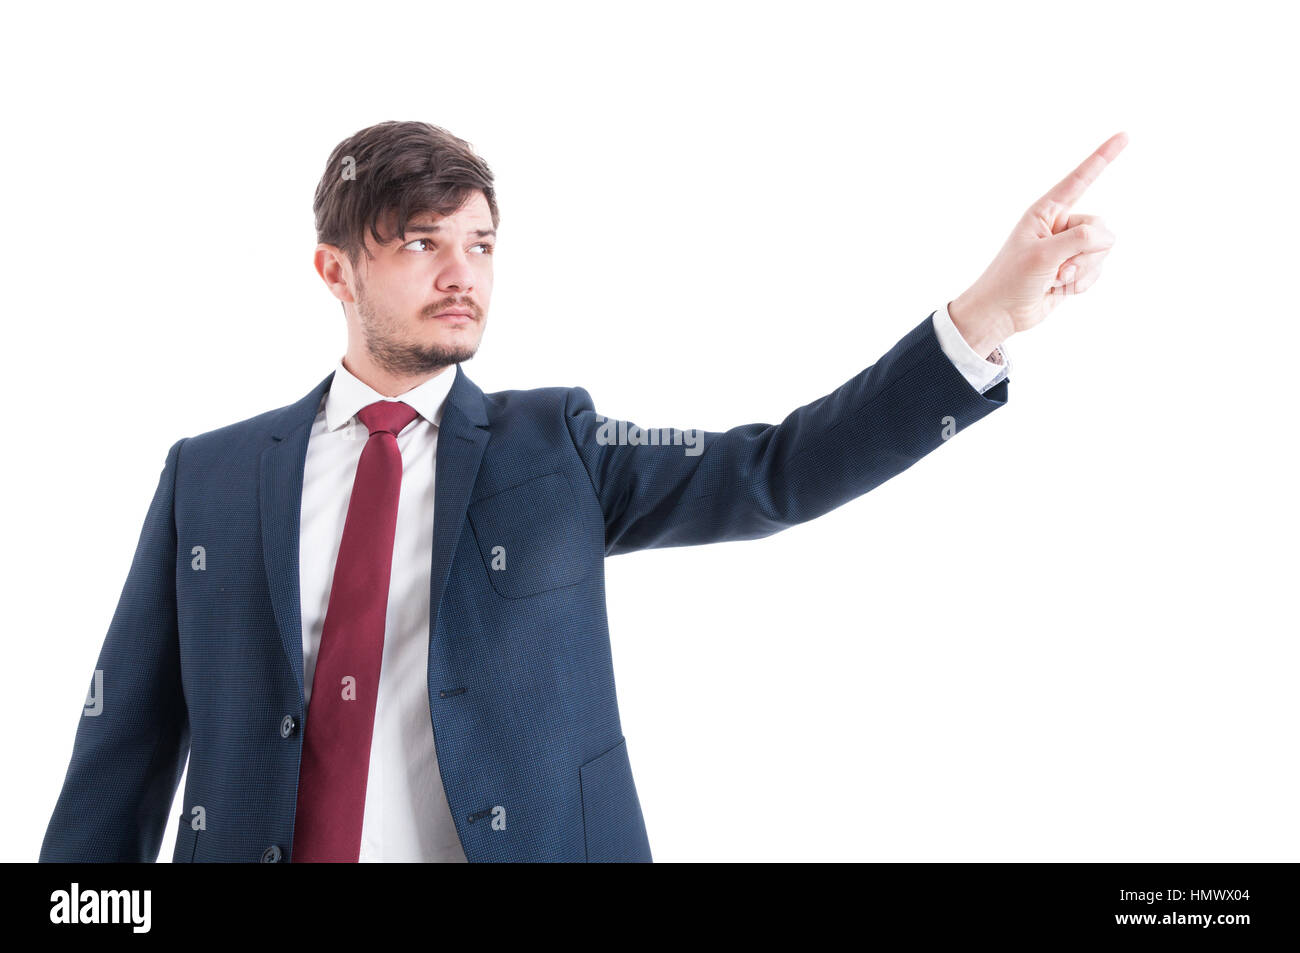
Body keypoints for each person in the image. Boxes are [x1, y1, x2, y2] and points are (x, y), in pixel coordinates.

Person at [39, 120, 1125, 863]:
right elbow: (120, 750)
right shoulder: (212, 474)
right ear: (335, 269)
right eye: (421, 243)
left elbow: (777, 470)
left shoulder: (553, 443)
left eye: (479, 243)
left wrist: (984, 316)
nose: (462, 273)